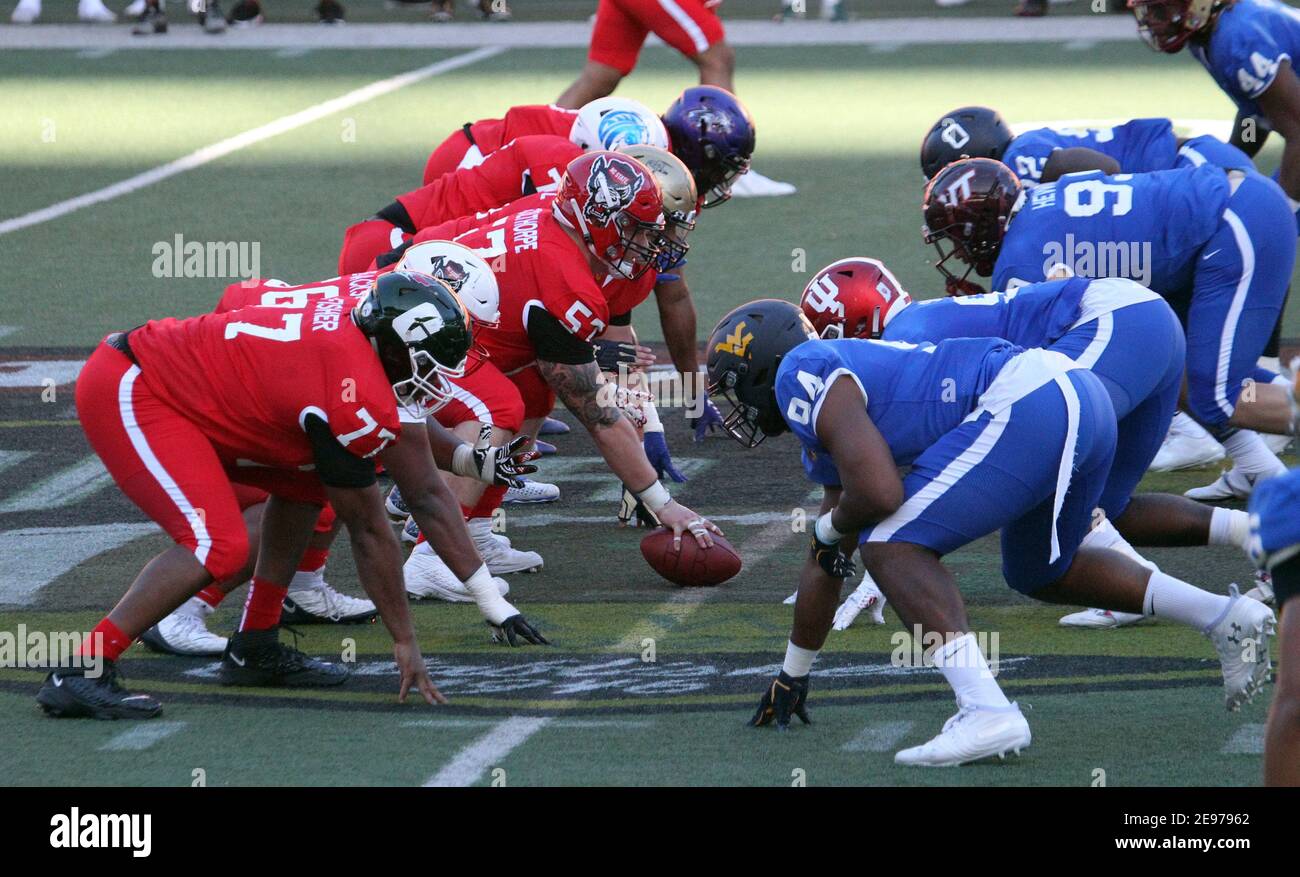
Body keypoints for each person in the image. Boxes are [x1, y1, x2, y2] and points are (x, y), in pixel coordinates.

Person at [707, 299, 1274, 765]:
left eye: (734, 387)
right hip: (1078, 397)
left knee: (890, 543)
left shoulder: (799, 370)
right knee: (1040, 570)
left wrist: (830, 528)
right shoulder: (826, 426)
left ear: (763, 369)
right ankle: (1222, 617)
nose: (735, 408)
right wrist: (793, 674)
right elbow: (827, 558)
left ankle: (986, 711)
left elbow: (878, 497)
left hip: (1030, 400)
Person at [36, 272, 513, 718]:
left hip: (196, 393)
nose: (436, 380)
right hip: (137, 387)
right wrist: (404, 639)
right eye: (428, 363)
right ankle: (82, 668)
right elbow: (370, 530)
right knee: (218, 545)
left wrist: (468, 462)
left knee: (305, 486)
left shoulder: (361, 334)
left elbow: (419, 481)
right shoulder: (353, 394)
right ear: (392, 345)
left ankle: (256, 644)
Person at [800, 259, 1269, 630]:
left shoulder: (906, 339)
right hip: (1139, 320)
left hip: (1113, 325)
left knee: (1048, 466)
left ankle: (1171, 603)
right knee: (1103, 504)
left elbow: (947, 473)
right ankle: (1261, 532)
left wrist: (887, 566)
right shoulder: (918, 325)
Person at [919, 105, 1292, 471]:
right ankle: (1259, 470)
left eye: (955, 238)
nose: (957, 252)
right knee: (1180, 361)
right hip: (1228, 211)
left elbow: (1037, 375)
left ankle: (1270, 428)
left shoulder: (1019, 263)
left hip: (1232, 222)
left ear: (980, 226)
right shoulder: (1036, 205)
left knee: (1216, 395)